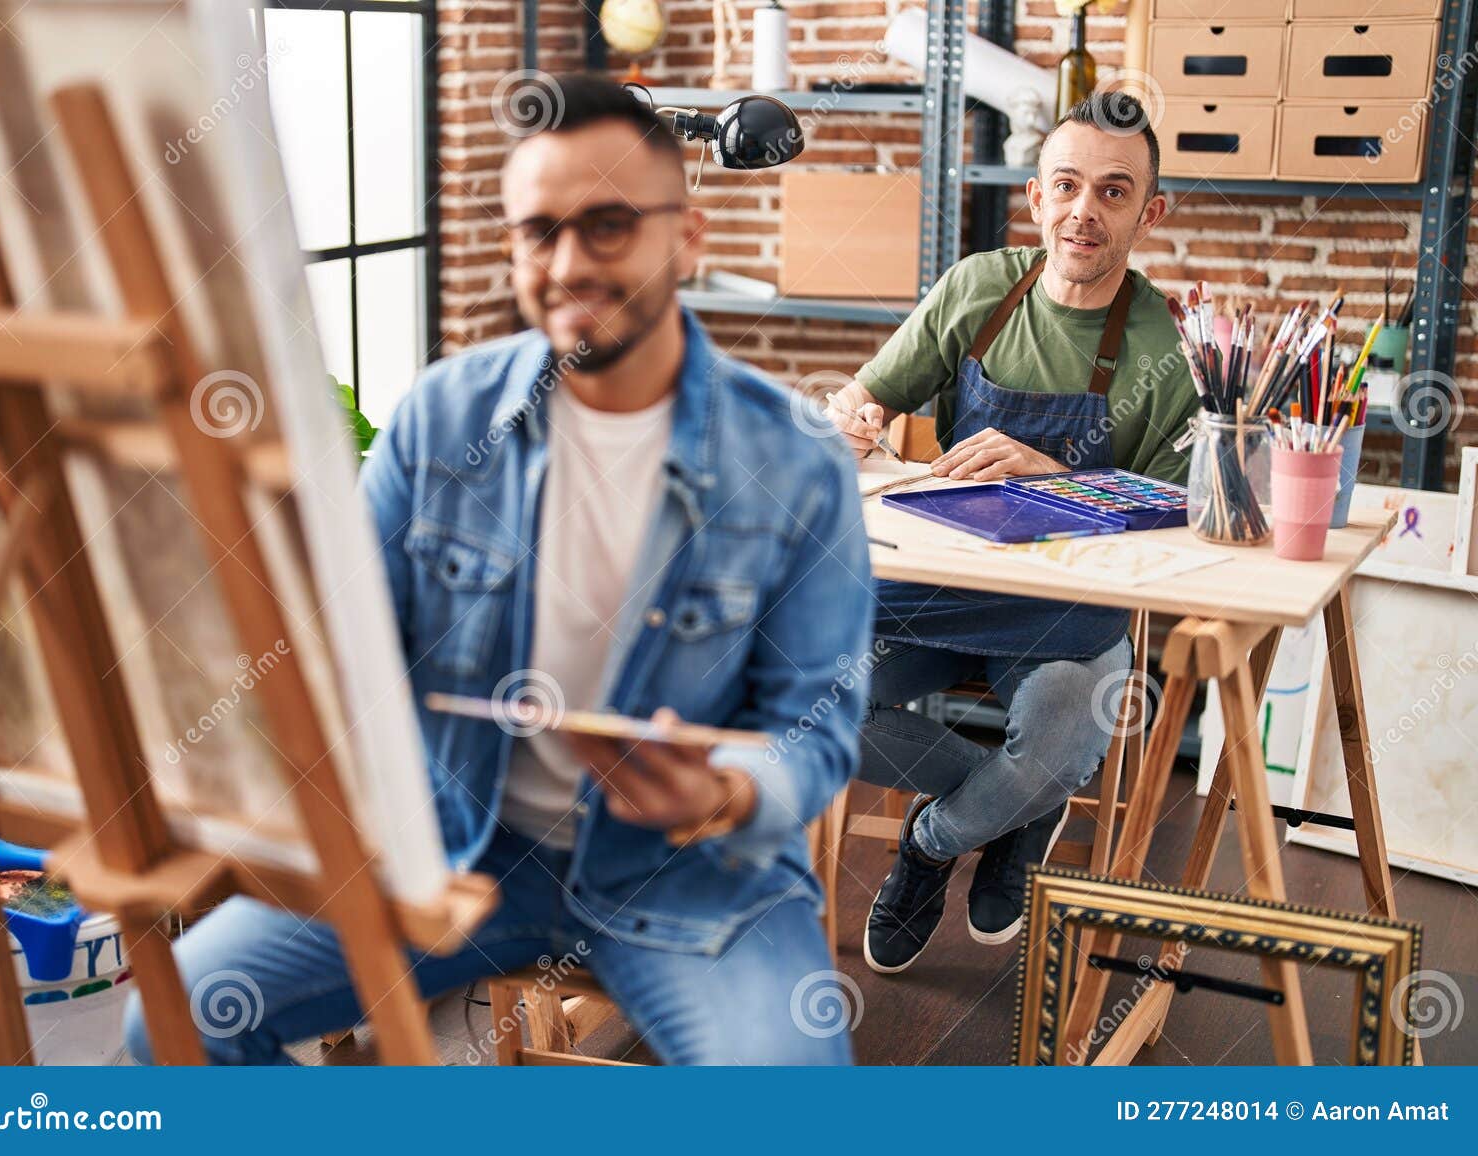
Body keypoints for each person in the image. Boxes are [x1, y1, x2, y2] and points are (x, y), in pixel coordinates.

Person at [123, 74, 872, 1065]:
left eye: (607, 226)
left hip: (691, 875)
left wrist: (723, 793)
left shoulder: (792, 458)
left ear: (687, 237)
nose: (567, 264)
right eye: (538, 231)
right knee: (174, 1018)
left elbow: (817, 728)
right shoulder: (440, 420)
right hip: (454, 846)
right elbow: (354, 648)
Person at [825, 91, 1200, 973]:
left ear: (1149, 213)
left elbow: (1184, 518)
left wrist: (1060, 475)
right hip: (944, 585)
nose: (1083, 211)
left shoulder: (1166, 345)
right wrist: (849, 415)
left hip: (1070, 610)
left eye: (1113, 193)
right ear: (1035, 197)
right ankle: (1015, 809)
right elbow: (870, 394)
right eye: (1066, 185)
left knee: (1071, 731)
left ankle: (931, 842)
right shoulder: (979, 289)